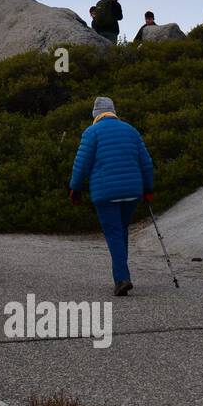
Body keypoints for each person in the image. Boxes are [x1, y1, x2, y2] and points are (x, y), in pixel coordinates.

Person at [68, 96, 155, 296]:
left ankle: (122, 279)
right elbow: (146, 163)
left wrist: (75, 188)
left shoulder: (91, 133)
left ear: (95, 115)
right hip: (132, 192)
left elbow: (81, 165)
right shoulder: (131, 130)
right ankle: (122, 274)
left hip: (105, 193)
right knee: (121, 231)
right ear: (113, 112)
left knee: (114, 233)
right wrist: (148, 189)